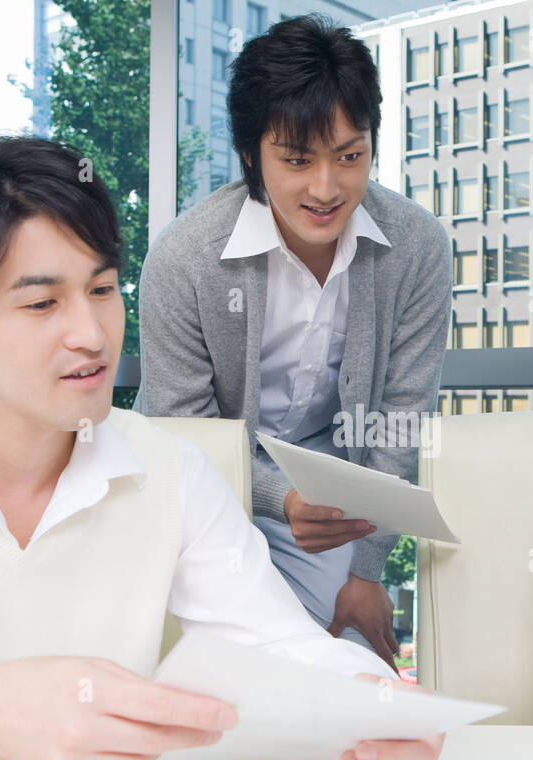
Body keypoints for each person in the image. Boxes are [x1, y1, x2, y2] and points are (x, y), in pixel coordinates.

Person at [0, 135, 442, 760]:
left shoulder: (173, 470)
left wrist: (373, 707)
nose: (92, 334)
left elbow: (277, 644)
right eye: (41, 304)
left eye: (102, 289)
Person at [133, 15, 452, 672]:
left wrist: (367, 572)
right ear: (251, 153)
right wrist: (280, 499)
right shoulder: (186, 259)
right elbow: (182, 434)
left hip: (335, 511)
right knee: (235, 679)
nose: (326, 188)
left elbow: (400, 420)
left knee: (357, 678)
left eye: (350, 155)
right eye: (297, 159)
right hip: (204, 492)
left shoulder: (417, 248)